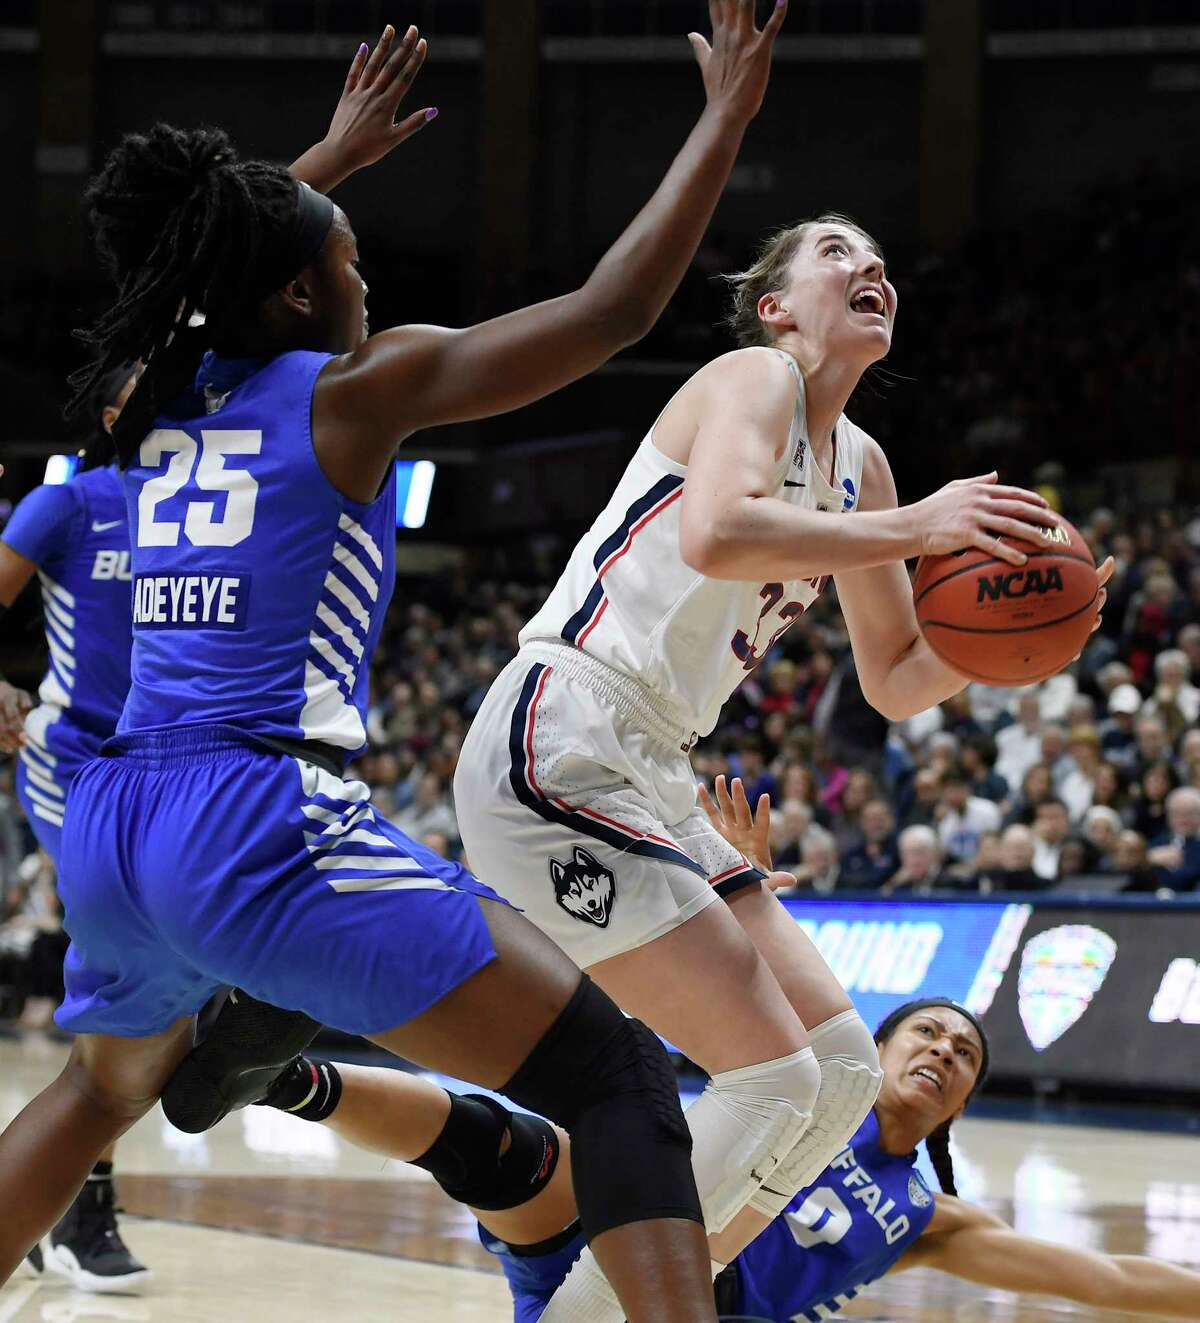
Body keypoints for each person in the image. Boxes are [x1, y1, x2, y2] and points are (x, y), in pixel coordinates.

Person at [0, 9, 791, 1311]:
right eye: (348, 259)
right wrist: (724, 123)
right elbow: (619, 309)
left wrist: (314, 172)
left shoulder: (140, 396)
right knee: (617, 1080)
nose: (365, 278)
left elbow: (195, 280)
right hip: (254, 815)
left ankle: (239, 1019)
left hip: (109, 818)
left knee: (96, 1090)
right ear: (305, 289)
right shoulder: (357, 391)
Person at [451, 207, 1113, 1317]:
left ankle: (646, 1296)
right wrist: (924, 530)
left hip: (653, 760)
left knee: (843, 1065)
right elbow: (717, 532)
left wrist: (1024, 644)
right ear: (776, 304)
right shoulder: (754, 377)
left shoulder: (865, 464)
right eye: (838, 254)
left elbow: (898, 673)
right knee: (774, 1076)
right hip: (566, 723)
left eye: (882, 262)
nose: (872, 270)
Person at [183, 991, 1200, 1323]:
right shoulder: (806, 1076)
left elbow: (1111, 1277)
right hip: (620, 1236)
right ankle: (280, 1078)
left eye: (964, 1054)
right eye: (926, 1035)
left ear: (966, 1099)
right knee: (509, 1151)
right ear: (880, 1050)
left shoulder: (930, 1221)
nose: (943, 1051)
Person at [0, 366, 152, 1291]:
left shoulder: (223, 499)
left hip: (172, 771)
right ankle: (79, 1202)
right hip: (72, 765)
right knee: (125, 955)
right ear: (109, 411)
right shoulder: (69, 504)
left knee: (183, 985)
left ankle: (43, 1187)